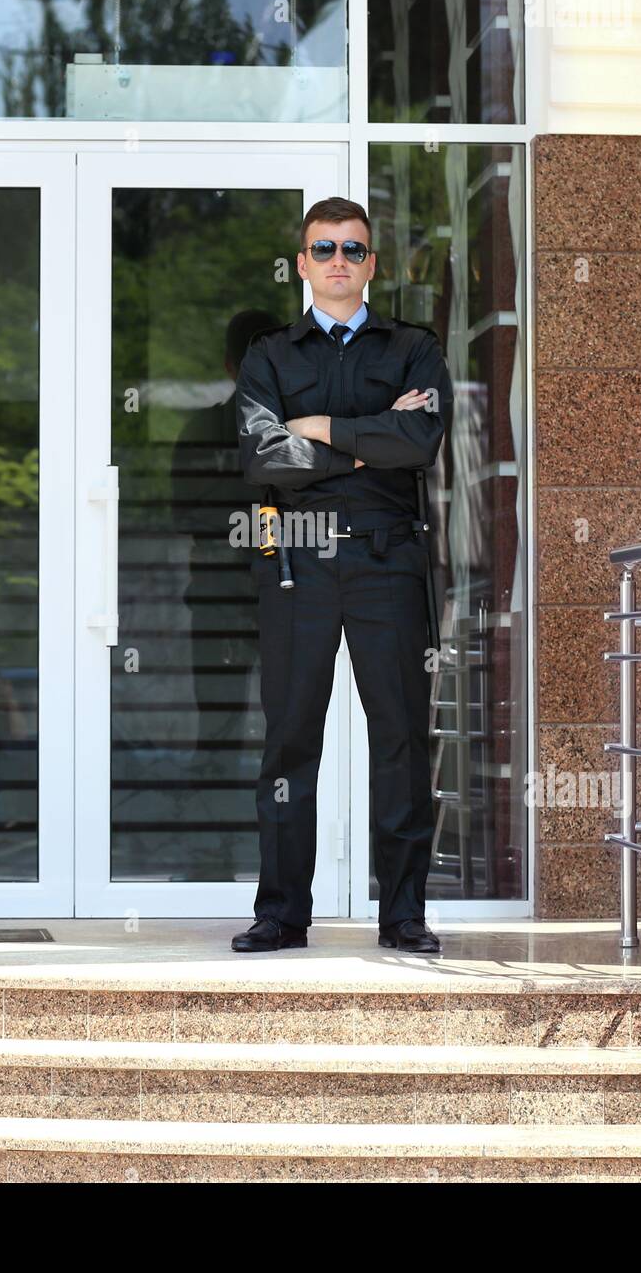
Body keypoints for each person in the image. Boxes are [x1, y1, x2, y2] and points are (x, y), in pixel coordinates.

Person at [232, 196, 454, 954]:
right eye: (323, 249)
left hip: (386, 561)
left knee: (399, 740)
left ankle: (403, 916)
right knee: (290, 742)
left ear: (371, 264)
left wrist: (321, 430)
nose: (337, 262)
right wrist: (370, 441)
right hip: (295, 563)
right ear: (302, 264)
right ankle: (282, 913)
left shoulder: (412, 347)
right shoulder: (271, 355)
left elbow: (421, 441)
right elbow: (264, 459)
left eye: (352, 251)